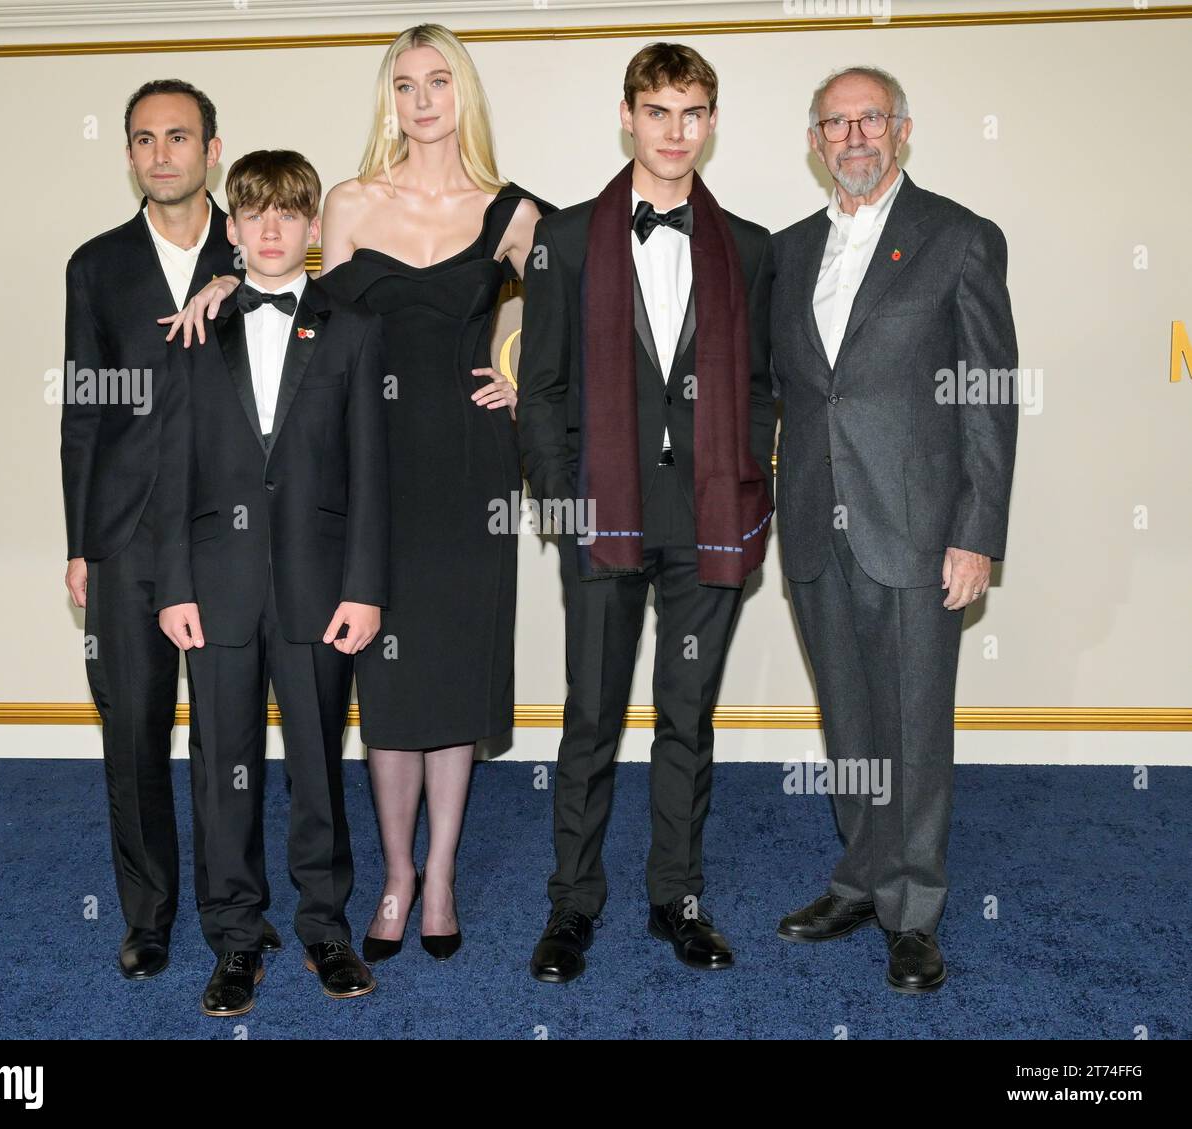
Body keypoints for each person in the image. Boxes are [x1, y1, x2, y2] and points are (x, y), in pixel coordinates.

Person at [167, 23, 552, 964]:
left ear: (464, 93)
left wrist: (530, 382)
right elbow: (303, 307)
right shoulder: (345, 201)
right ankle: (393, 873)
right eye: (406, 84)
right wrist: (222, 281)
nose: (423, 101)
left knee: (453, 672)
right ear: (390, 99)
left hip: (467, 468)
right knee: (380, 673)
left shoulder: (513, 211)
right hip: (364, 468)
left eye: (439, 82)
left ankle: (446, 872)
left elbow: (591, 301)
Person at [516, 42, 777, 984]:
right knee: (590, 718)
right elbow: (539, 386)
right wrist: (561, 496)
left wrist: (753, 479)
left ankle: (680, 898)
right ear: (627, 116)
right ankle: (572, 905)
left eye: (693, 112)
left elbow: (761, 388)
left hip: (709, 513)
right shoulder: (567, 237)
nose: (675, 131)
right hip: (604, 516)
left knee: (685, 718)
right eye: (658, 111)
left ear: (711, 122)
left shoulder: (748, 245)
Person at [768, 66, 1018, 993]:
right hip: (813, 525)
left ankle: (914, 910)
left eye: (871, 117)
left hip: (917, 526)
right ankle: (861, 876)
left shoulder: (957, 238)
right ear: (815, 141)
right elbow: (784, 391)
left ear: (902, 132)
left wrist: (977, 529)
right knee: (852, 721)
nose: (855, 136)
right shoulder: (789, 252)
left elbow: (988, 395)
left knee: (913, 722)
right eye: (836, 123)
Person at [153, 149, 389, 1015]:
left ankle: (325, 925)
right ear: (232, 227)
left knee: (319, 760)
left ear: (314, 227)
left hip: (320, 585)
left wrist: (364, 588)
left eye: (290, 212)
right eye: (254, 213)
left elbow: (372, 472)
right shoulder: (191, 330)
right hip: (212, 588)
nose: (272, 228)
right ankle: (235, 936)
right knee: (224, 764)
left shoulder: (355, 329)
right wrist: (172, 585)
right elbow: (170, 472)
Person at [60, 79, 279, 981]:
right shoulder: (95, 265)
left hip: (229, 533)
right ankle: (147, 916)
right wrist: (80, 542)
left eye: (179, 136)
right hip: (127, 536)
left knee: (229, 738)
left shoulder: (259, 239)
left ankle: (238, 910)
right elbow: (82, 410)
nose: (162, 153)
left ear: (213, 149)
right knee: (135, 730)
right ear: (128, 156)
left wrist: (241, 280)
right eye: (145, 139)